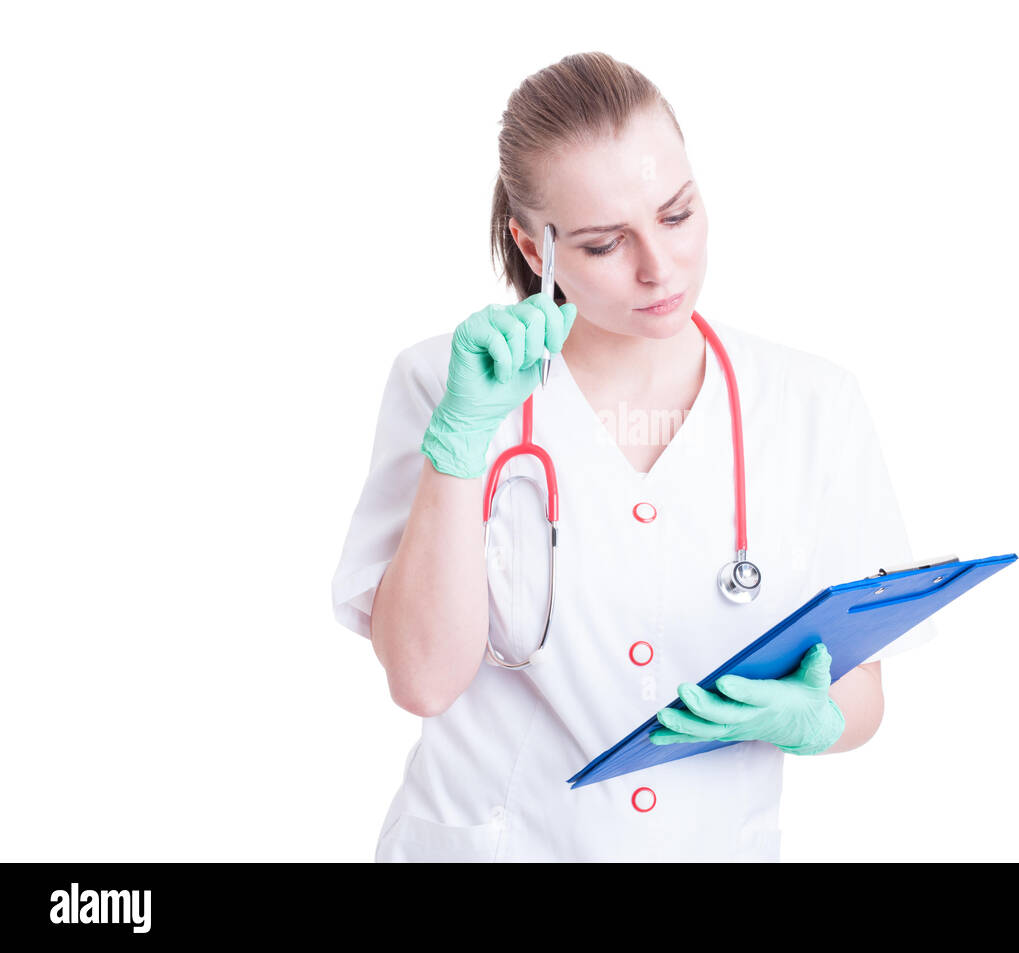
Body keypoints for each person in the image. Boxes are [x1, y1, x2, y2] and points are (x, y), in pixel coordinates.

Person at [330, 51, 936, 863]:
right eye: (604, 243)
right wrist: (458, 446)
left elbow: (863, 691)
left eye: (677, 215)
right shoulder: (446, 383)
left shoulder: (811, 402)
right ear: (532, 246)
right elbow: (423, 681)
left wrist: (817, 715)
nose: (659, 268)